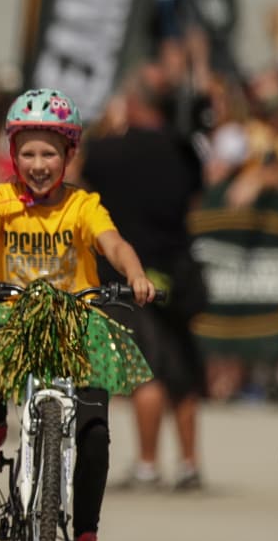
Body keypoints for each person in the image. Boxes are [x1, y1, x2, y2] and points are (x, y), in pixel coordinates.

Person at [0, 88, 157, 541]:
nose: (38, 164)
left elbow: (114, 243)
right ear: (12, 154)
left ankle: (85, 536)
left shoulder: (83, 206)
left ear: (69, 154)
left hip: (77, 322)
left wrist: (135, 275)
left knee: (95, 434)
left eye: (49, 153)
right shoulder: (3, 198)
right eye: (28, 153)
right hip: (16, 313)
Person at [80, 77, 207, 491]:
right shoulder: (184, 150)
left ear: (132, 105)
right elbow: (195, 199)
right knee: (182, 369)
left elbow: (82, 180)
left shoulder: (108, 150)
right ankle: (189, 464)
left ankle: (148, 465)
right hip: (177, 270)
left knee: (147, 370)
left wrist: (107, 127)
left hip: (127, 274)